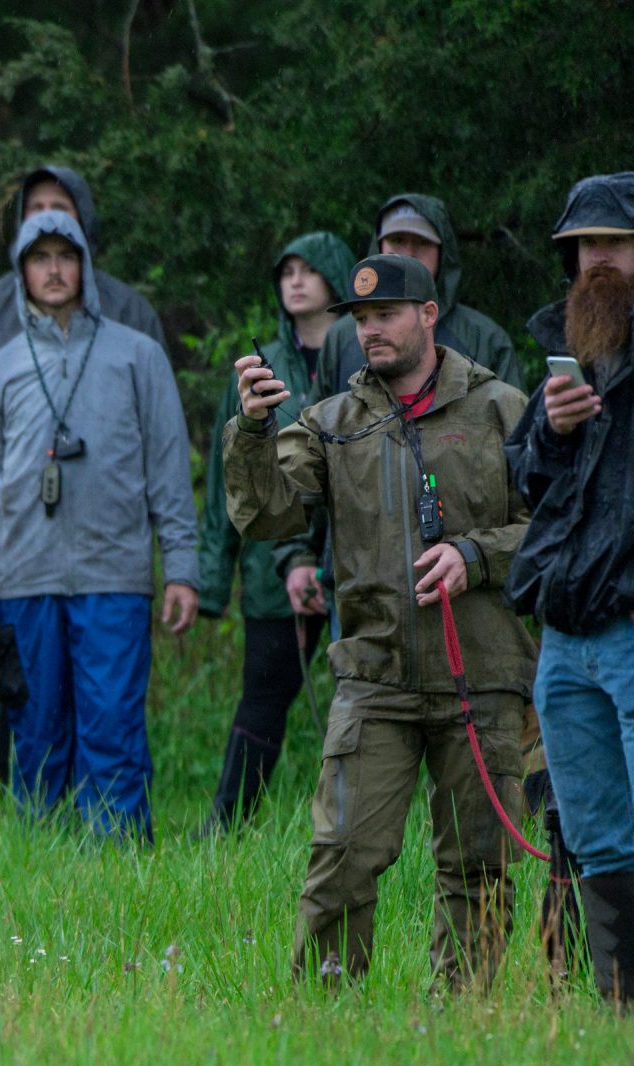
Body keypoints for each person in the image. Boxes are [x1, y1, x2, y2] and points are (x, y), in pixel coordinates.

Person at [226, 252, 533, 989]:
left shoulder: (501, 408)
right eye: (361, 319)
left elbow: (553, 528)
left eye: (386, 314)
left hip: (482, 676)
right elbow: (266, 516)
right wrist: (254, 430)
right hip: (375, 676)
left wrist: (474, 555)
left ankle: (466, 1013)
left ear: (429, 314)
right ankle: (324, 1009)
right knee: (341, 857)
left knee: (478, 865)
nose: (371, 330)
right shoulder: (331, 422)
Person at [0, 164, 169, 821]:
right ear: (19, 267)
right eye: (39, 257)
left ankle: (117, 856)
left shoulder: (136, 350)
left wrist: (183, 569)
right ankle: (44, 854)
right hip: (22, 574)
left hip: (113, 571)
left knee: (112, 725)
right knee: (36, 730)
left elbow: (168, 469)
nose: (54, 270)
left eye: (65, 255)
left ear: (85, 259)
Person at [507, 172, 634, 1006]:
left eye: (615, 241)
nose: (598, 259)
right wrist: (552, 433)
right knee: (595, 836)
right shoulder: (575, 353)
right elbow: (521, 478)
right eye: (584, 245)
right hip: (566, 638)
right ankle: (620, 1009)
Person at [193, 231, 356, 834]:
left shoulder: (365, 354)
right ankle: (226, 827)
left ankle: (353, 827)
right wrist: (212, 583)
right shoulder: (260, 366)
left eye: (309, 269)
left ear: (336, 276)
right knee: (263, 697)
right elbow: (226, 477)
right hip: (271, 566)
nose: (296, 280)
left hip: (355, 558)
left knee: (369, 702)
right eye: (287, 270)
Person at [314, 195, 526, 397]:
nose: (408, 253)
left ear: (443, 251)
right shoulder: (340, 337)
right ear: (379, 246)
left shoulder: (484, 338)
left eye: (422, 242)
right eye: (398, 240)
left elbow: (513, 418)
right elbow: (317, 420)